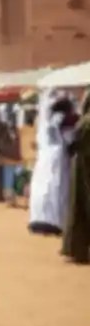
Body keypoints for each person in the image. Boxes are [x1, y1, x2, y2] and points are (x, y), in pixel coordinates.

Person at [28, 93, 74, 235]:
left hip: (43, 161)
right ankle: (54, 223)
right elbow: (70, 140)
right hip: (58, 161)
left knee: (41, 190)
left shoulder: (45, 123)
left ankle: (39, 220)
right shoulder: (64, 121)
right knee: (57, 192)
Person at [64, 91, 90, 263]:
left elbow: (73, 144)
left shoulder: (85, 122)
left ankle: (77, 250)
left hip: (83, 168)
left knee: (79, 207)